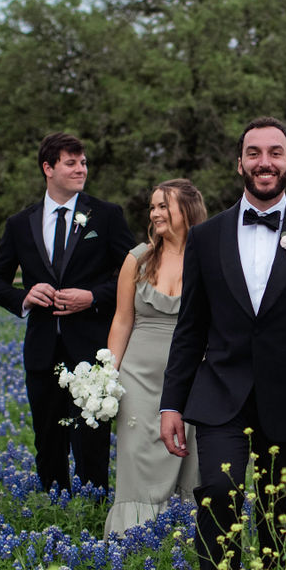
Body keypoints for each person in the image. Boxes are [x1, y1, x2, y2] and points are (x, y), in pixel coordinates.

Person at [160, 118, 286, 570]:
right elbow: (190, 328)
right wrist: (171, 404)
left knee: (281, 507)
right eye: (254, 153)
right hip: (221, 392)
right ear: (240, 163)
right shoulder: (206, 236)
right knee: (217, 491)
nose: (264, 162)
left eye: (274, 152)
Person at [0, 134, 135, 493]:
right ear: (48, 168)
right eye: (71, 163)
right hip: (43, 350)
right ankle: (56, 508)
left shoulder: (106, 215)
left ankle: (92, 509)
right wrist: (25, 297)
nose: (81, 169)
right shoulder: (21, 222)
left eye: (83, 162)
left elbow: (134, 274)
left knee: (91, 442)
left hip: (92, 350)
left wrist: (93, 296)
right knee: (48, 442)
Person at [103, 179, 205, 534]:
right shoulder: (138, 259)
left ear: (187, 210)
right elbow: (121, 320)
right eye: (152, 207)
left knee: (190, 461)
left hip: (192, 377)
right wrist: (107, 375)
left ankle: (183, 540)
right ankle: (132, 537)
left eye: (164, 206)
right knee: (137, 461)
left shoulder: (207, 256)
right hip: (138, 378)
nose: (155, 213)